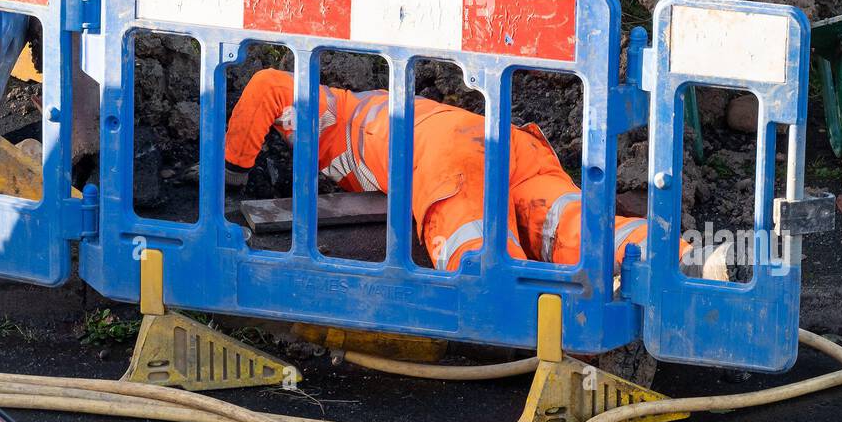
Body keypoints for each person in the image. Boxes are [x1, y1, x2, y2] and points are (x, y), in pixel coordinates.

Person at [223, 69, 726, 277]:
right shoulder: (373, 110)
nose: (289, 134)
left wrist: (231, 177)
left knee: (477, 258)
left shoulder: (339, 111)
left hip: (444, 154)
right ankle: (686, 260)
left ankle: (535, 324)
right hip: (509, 143)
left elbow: (268, 83)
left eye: (289, 131)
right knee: (564, 223)